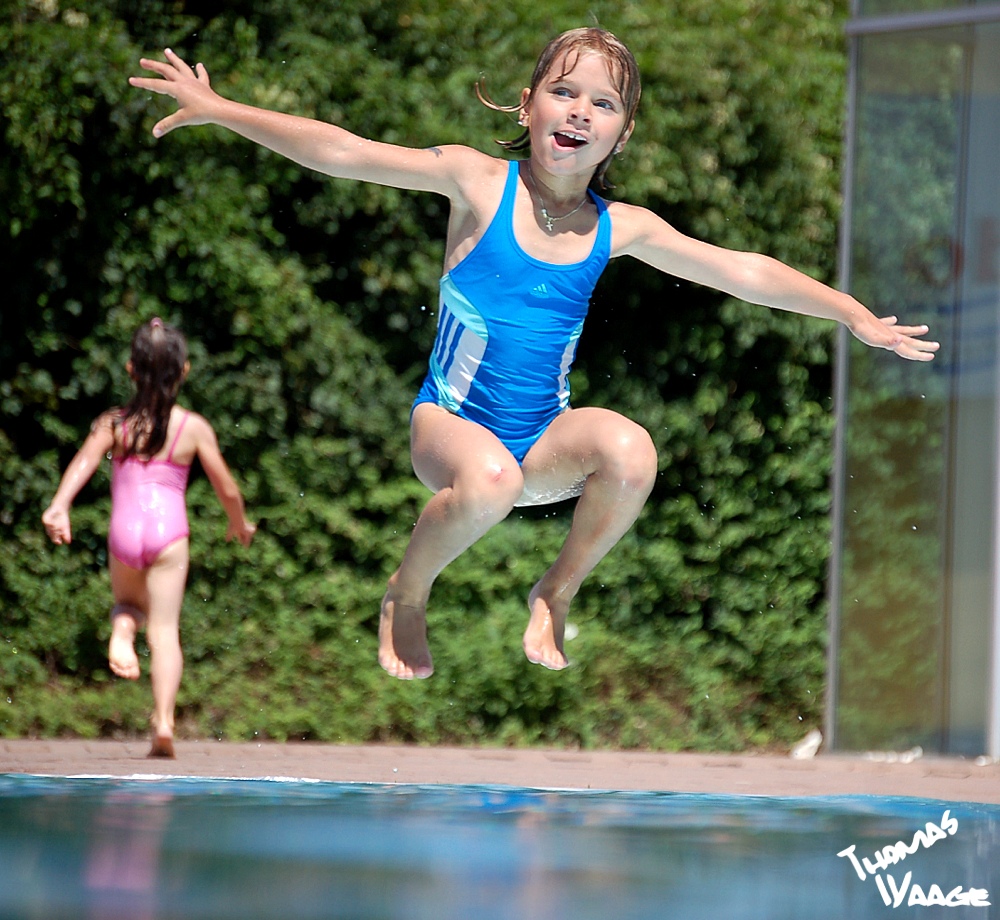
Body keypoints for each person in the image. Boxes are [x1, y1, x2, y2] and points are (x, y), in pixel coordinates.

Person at [129, 27, 938, 681]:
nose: (580, 110)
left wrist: (852, 313)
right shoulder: (477, 182)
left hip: (540, 438)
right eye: (564, 90)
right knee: (489, 479)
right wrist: (221, 108)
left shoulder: (622, 229)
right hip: (446, 427)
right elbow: (343, 150)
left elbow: (742, 272)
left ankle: (556, 589)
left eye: (604, 102)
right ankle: (406, 592)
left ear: (622, 133)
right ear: (528, 106)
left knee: (631, 450)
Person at [42, 318, 256, 756]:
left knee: (128, 605)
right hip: (169, 534)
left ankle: (121, 631)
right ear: (185, 371)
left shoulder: (114, 423)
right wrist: (239, 522)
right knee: (164, 631)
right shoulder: (191, 427)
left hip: (124, 531)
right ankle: (163, 721)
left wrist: (60, 504)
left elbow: (83, 462)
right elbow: (227, 487)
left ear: (130, 369)